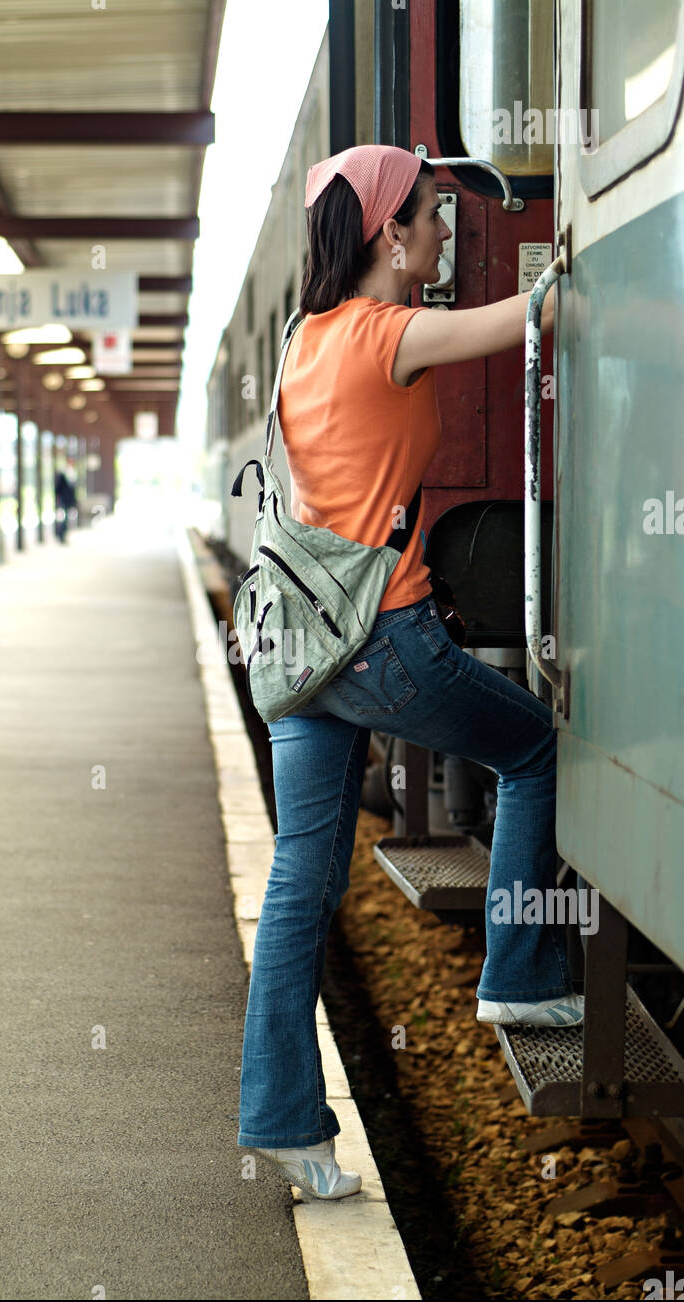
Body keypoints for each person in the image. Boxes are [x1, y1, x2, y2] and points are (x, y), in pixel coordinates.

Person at [237, 145, 580, 1202]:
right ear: (387, 235)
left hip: (304, 650)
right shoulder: (389, 334)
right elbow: (536, 316)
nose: (444, 235)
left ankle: (285, 1130)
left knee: (300, 884)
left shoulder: (305, 338)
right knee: (532, 749)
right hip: (382, 639)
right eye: (432, 214)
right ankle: (518, 979)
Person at [54, 469, 77, 543]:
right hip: (64, 502)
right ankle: (61, 535)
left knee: (64, 519)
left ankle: (61, 535)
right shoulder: (63, 478)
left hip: (64, 502)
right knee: (63, 519)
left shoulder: (65, 478)